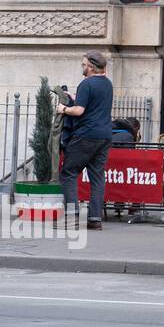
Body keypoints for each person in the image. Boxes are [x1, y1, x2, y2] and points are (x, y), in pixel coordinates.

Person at [55, 50, 114, 231]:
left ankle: (71, 219)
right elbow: (92, 104)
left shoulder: (86, 84)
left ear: (91, 67)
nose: (82, 67)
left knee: (69, 173)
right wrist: (76, 98)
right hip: (104, 136)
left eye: (84, 65)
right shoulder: (108, 84)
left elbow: (79, 111)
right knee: (97, 176)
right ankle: (95, 219)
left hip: (86, 135)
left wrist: (63, 109)